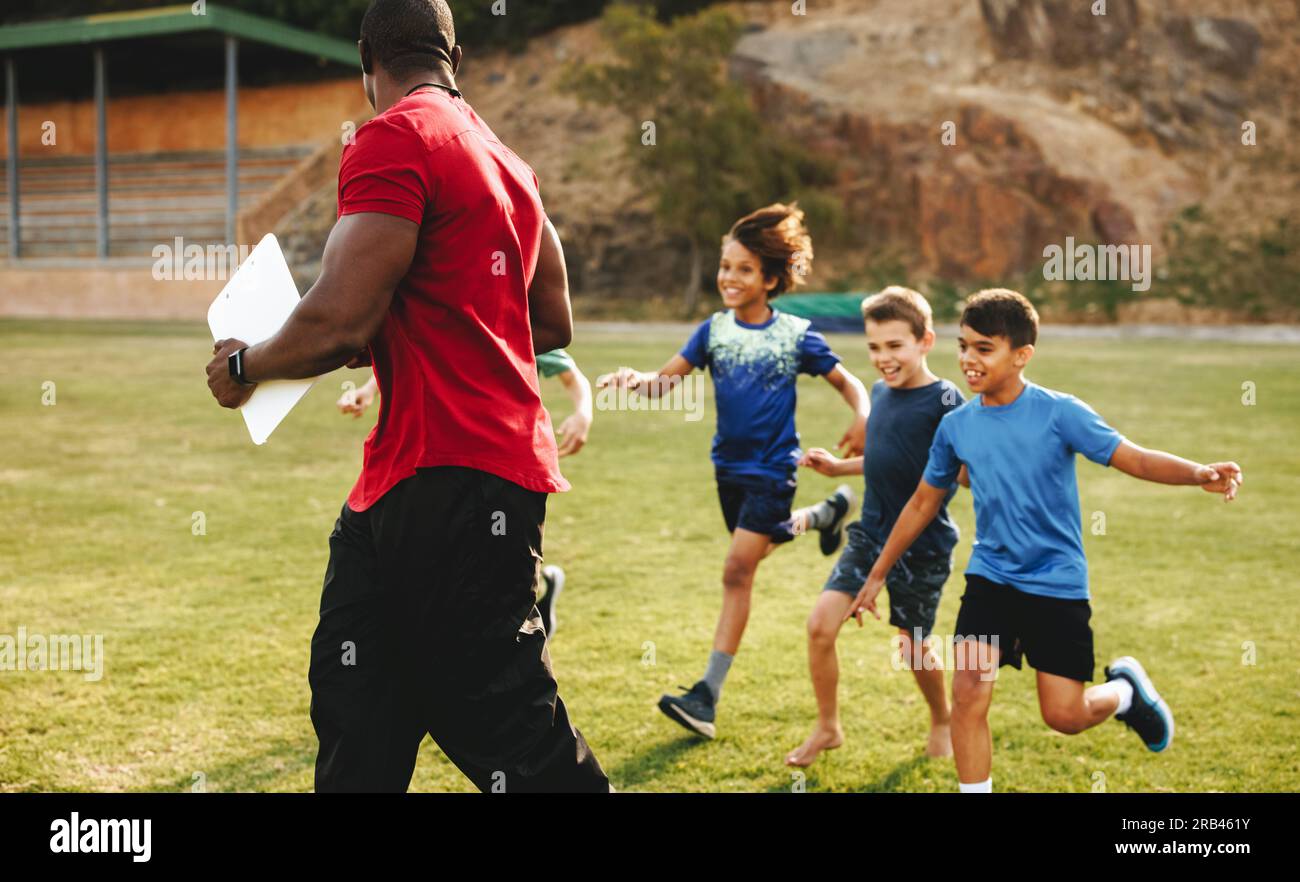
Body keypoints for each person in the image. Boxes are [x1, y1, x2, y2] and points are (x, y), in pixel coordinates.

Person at [205, 0, 607, 792]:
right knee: (357, 701)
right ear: (453, 54)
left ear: (368, 63)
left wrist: (245, 367)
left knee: (507, 722)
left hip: (449, 477)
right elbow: (551, 318)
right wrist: (404, 326)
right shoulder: (508, 162)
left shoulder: (392, 136)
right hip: (421, 481)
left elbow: (337, 316)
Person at [845, 288, 1243, 792]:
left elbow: (1134, 457)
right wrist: (877, 572)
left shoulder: (1060, 413)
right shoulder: (956, 426)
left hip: (1055, 582)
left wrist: (1198, 473)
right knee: (968, 692)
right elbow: (924, 501)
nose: (968, 359)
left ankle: (1123, 693)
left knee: (1064, 715)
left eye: (983, 348)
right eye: (963, 346)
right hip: (990, 578)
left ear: (1022, 355)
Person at [599, 203, 870, 740]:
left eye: (743, 269)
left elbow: (847, 382)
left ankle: (706, 696)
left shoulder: (794, 334)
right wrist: (636, 379)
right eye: (726, 266)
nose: (729, 277)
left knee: (736, 572)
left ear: (769, 279)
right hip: (727, 471)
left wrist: (863, 414)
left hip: (774, 470)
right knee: (758, 549)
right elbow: (665, 382)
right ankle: (826, 514)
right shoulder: (713, 331)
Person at [786, 286, 967, 767]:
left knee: (911, 646)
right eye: (873, 347)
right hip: (870, 533)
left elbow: (960, 475)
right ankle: (828, 727)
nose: (883, 358)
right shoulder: (883, 394)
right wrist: (838, 469)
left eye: (894, 346)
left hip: (923, 546)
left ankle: (942, 717)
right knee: (820, 626)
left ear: (925, 341)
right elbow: (886, 462)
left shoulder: (946, 399)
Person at [336, 348, 593, 634]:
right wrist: (369, 389)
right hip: (443, 461)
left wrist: (583, 413)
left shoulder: (514, 330)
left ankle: (532, 610)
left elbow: (571, 374)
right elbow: (412, 354)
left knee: (493, 572)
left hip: (498, 462)